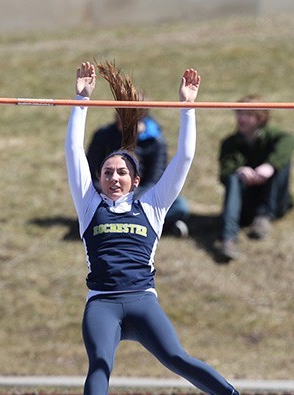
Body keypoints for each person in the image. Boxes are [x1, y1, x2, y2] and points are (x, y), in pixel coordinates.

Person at [66, 61, 239, 395]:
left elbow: (184, 158)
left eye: (121, 173)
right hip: (102, 303)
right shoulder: (89, 206)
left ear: (135, 180)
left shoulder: (152, 206)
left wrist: (188, 107)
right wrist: (81, 100)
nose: (114, 177)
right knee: (100, 363)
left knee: (177, 357)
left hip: (142, 301)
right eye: (107, 172)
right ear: (98, 180)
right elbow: (74, 151)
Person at [216, 95, 294, 261]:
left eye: (246, 114)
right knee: (233, 179)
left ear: (259, 118)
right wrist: (240, 171)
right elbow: (224, 173)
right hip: (245, 204)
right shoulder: (230, 143)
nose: (240, 118)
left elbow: (289, 140)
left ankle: (264, 217)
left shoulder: (274, 137)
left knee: (282, 162)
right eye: (238, 113)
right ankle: (229, 238)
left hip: (273, 201)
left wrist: (270, 166)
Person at [86, 111, 190, 237]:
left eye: (125, 114)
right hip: (108, 195)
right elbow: (90, 174)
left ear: (140, 116)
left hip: (142, 197)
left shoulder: (154, 140)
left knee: (180, 206)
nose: (119, 118)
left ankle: (120, 223)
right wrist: (112, 192)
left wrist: (132, 198)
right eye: (118, 112)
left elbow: (154, 180)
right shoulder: (103, 135)